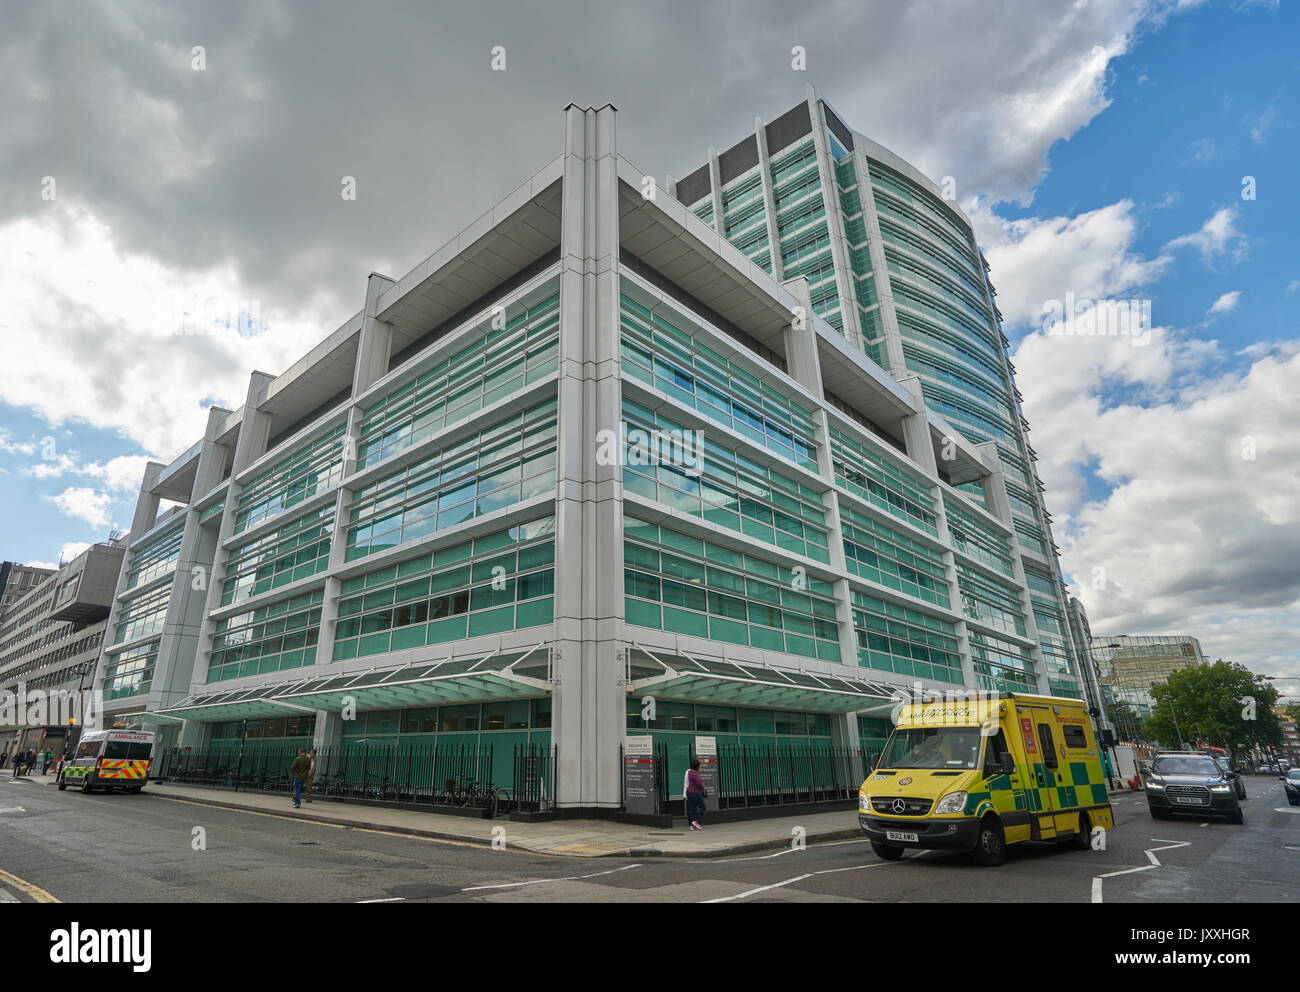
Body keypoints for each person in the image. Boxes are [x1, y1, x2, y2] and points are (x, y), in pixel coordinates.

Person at [684, 758, 706, 831]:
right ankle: (697, 822)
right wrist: (702, 786)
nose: (699, 768)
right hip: (695, 793)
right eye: (699, 766)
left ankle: (692, 826)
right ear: (697, 767)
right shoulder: (695, 773)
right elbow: (699, 783)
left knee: (692, 809)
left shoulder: (689, 772)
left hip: (689, 792)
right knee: (703, 807)